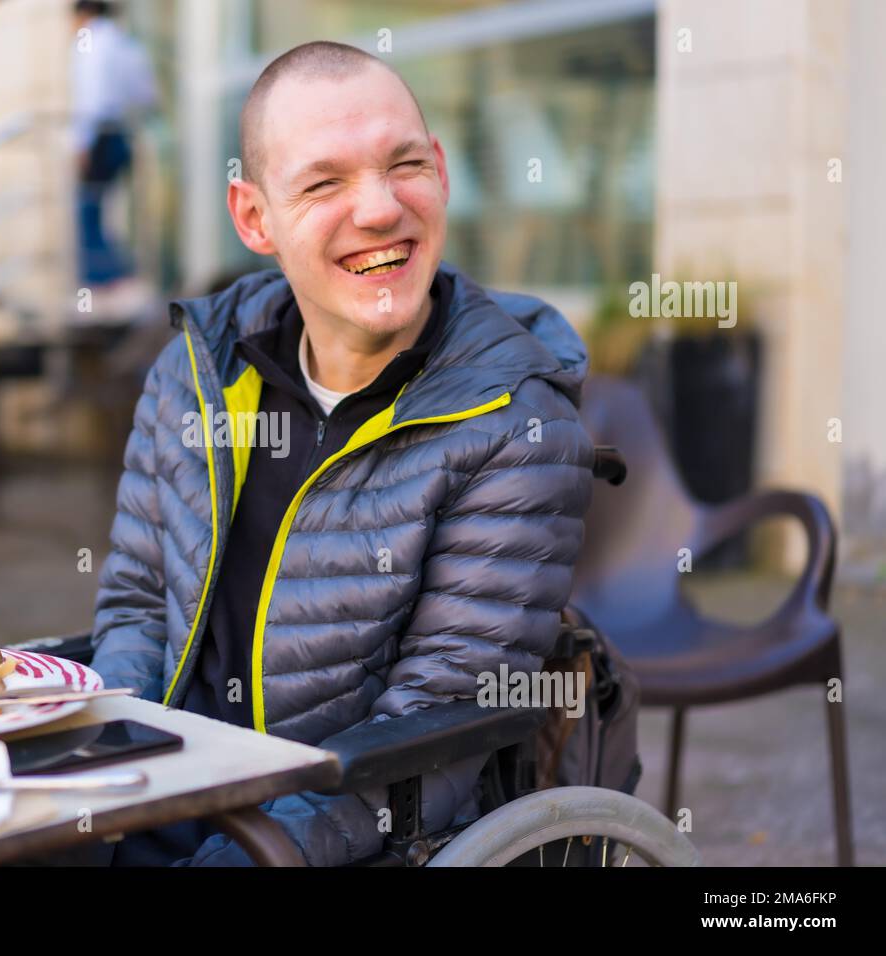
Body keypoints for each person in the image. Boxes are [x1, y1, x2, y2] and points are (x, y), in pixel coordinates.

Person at [90, 41, 595, 866]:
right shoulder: (197, 372)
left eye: (404, 166)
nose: (379, 210)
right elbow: (140, 611)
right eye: (324, 183)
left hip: (355, 844)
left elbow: (431, 737)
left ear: (440, 170)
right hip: (165, 810)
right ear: (254, 218)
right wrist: (88, 793)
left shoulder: (518, 420)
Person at [70, 0, 158, 291]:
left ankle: (102, 279)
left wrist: (81, 144)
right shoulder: (125, 42)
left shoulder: (91, 44)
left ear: (84, 14)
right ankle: (117, 271)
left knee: (88, 208)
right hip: (119, 132)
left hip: (99, 134)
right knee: (103, 207)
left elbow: (91, 101)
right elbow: (146, 94)